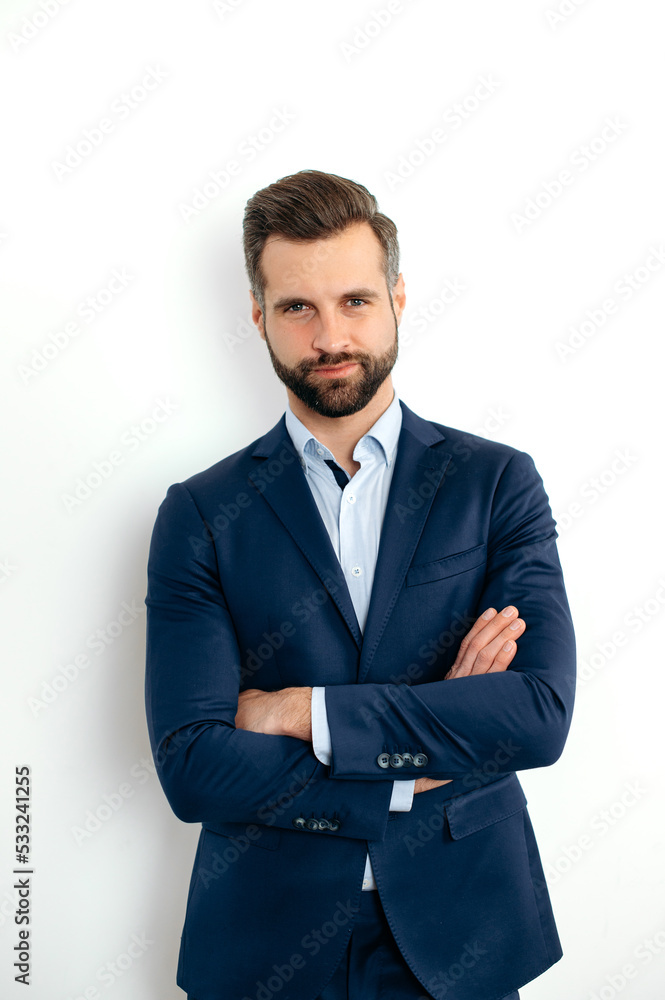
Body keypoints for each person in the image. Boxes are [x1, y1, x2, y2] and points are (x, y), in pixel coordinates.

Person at [144, 169, 576, 1000]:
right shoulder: (200, 513)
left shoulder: (494, 485)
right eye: (297, 307)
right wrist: (413, 765)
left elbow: (536, 716)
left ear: (398, 298)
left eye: (354, 301)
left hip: (466, 934)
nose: (329, 336)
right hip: (263, 941)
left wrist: (299, 710)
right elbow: (193, 766)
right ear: (257, 315)